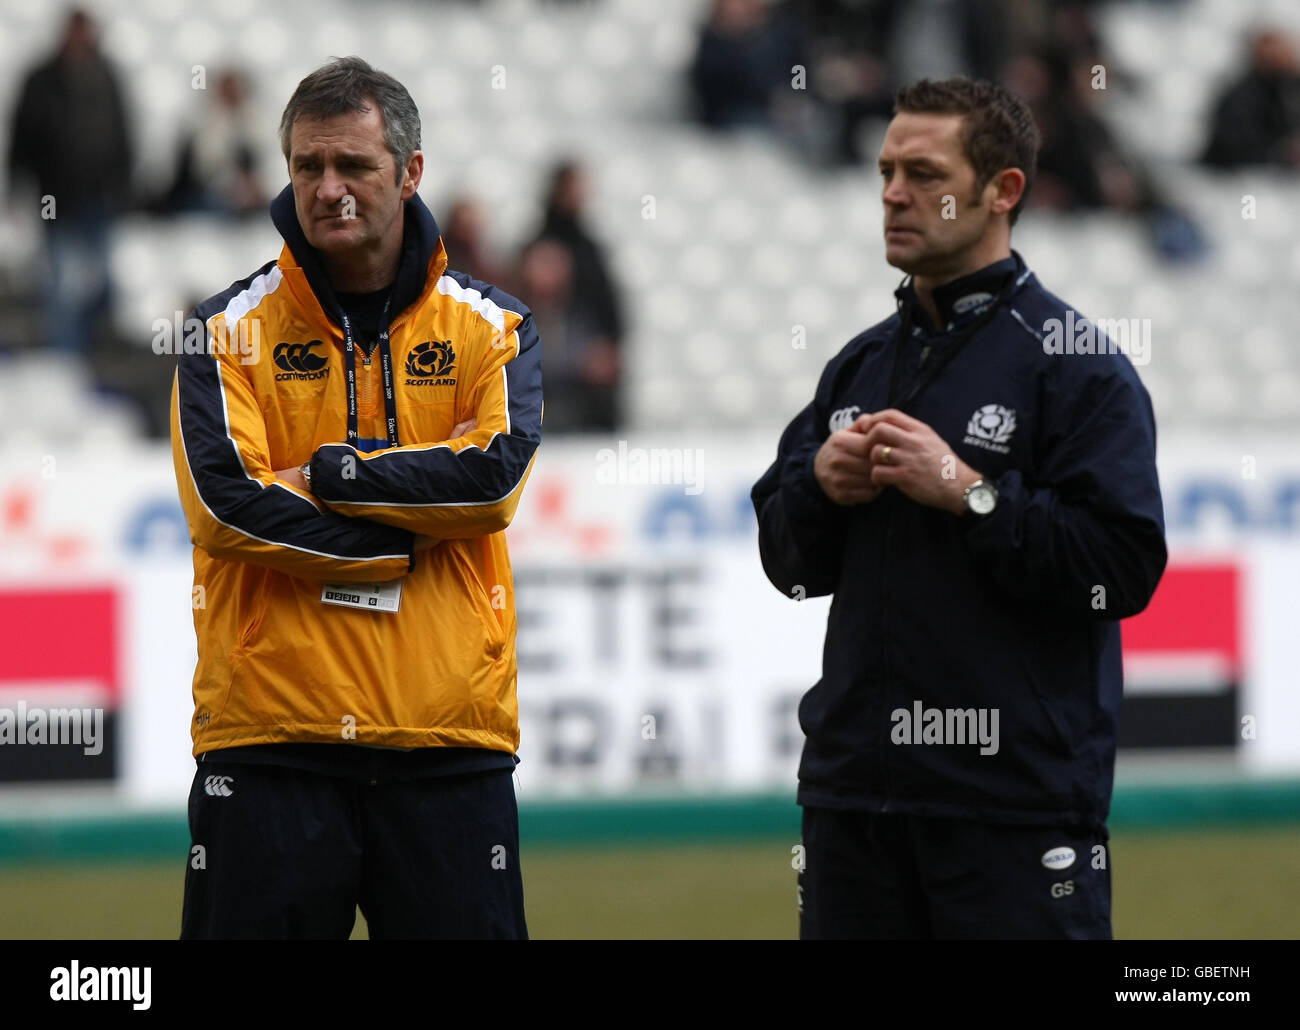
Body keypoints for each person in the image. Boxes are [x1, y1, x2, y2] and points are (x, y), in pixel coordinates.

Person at [751, 77, 1167, 939]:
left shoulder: (1076, 367)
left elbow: (1121, 569)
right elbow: (787, 562)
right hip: (853, 804)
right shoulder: (859, 368)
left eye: (923, 172)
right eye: (885, 171)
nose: (894, 194)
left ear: (1002, 190)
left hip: (1013, 813)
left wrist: (971, 493)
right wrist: (818, 488)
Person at [170, 57, 542, 939]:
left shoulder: (494, 327)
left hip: (447, 746)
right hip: (268, 744)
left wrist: (333, 475)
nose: (328, 189)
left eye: (354, 167)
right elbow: (226, 507)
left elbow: (492, 482)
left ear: (411, 173)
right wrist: (401, 541)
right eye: (308, 167)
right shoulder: (222, 332)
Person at [7, 8, 133, 356]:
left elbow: (122, 135)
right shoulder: (40, 80)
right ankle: (67, 358)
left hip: (101, 199)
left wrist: (123, 187)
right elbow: (22, 137)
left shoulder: (106, 76)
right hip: (57, 201)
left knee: (103, 282)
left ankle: (100, 355)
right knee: (61, 284)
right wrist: (18, 187)